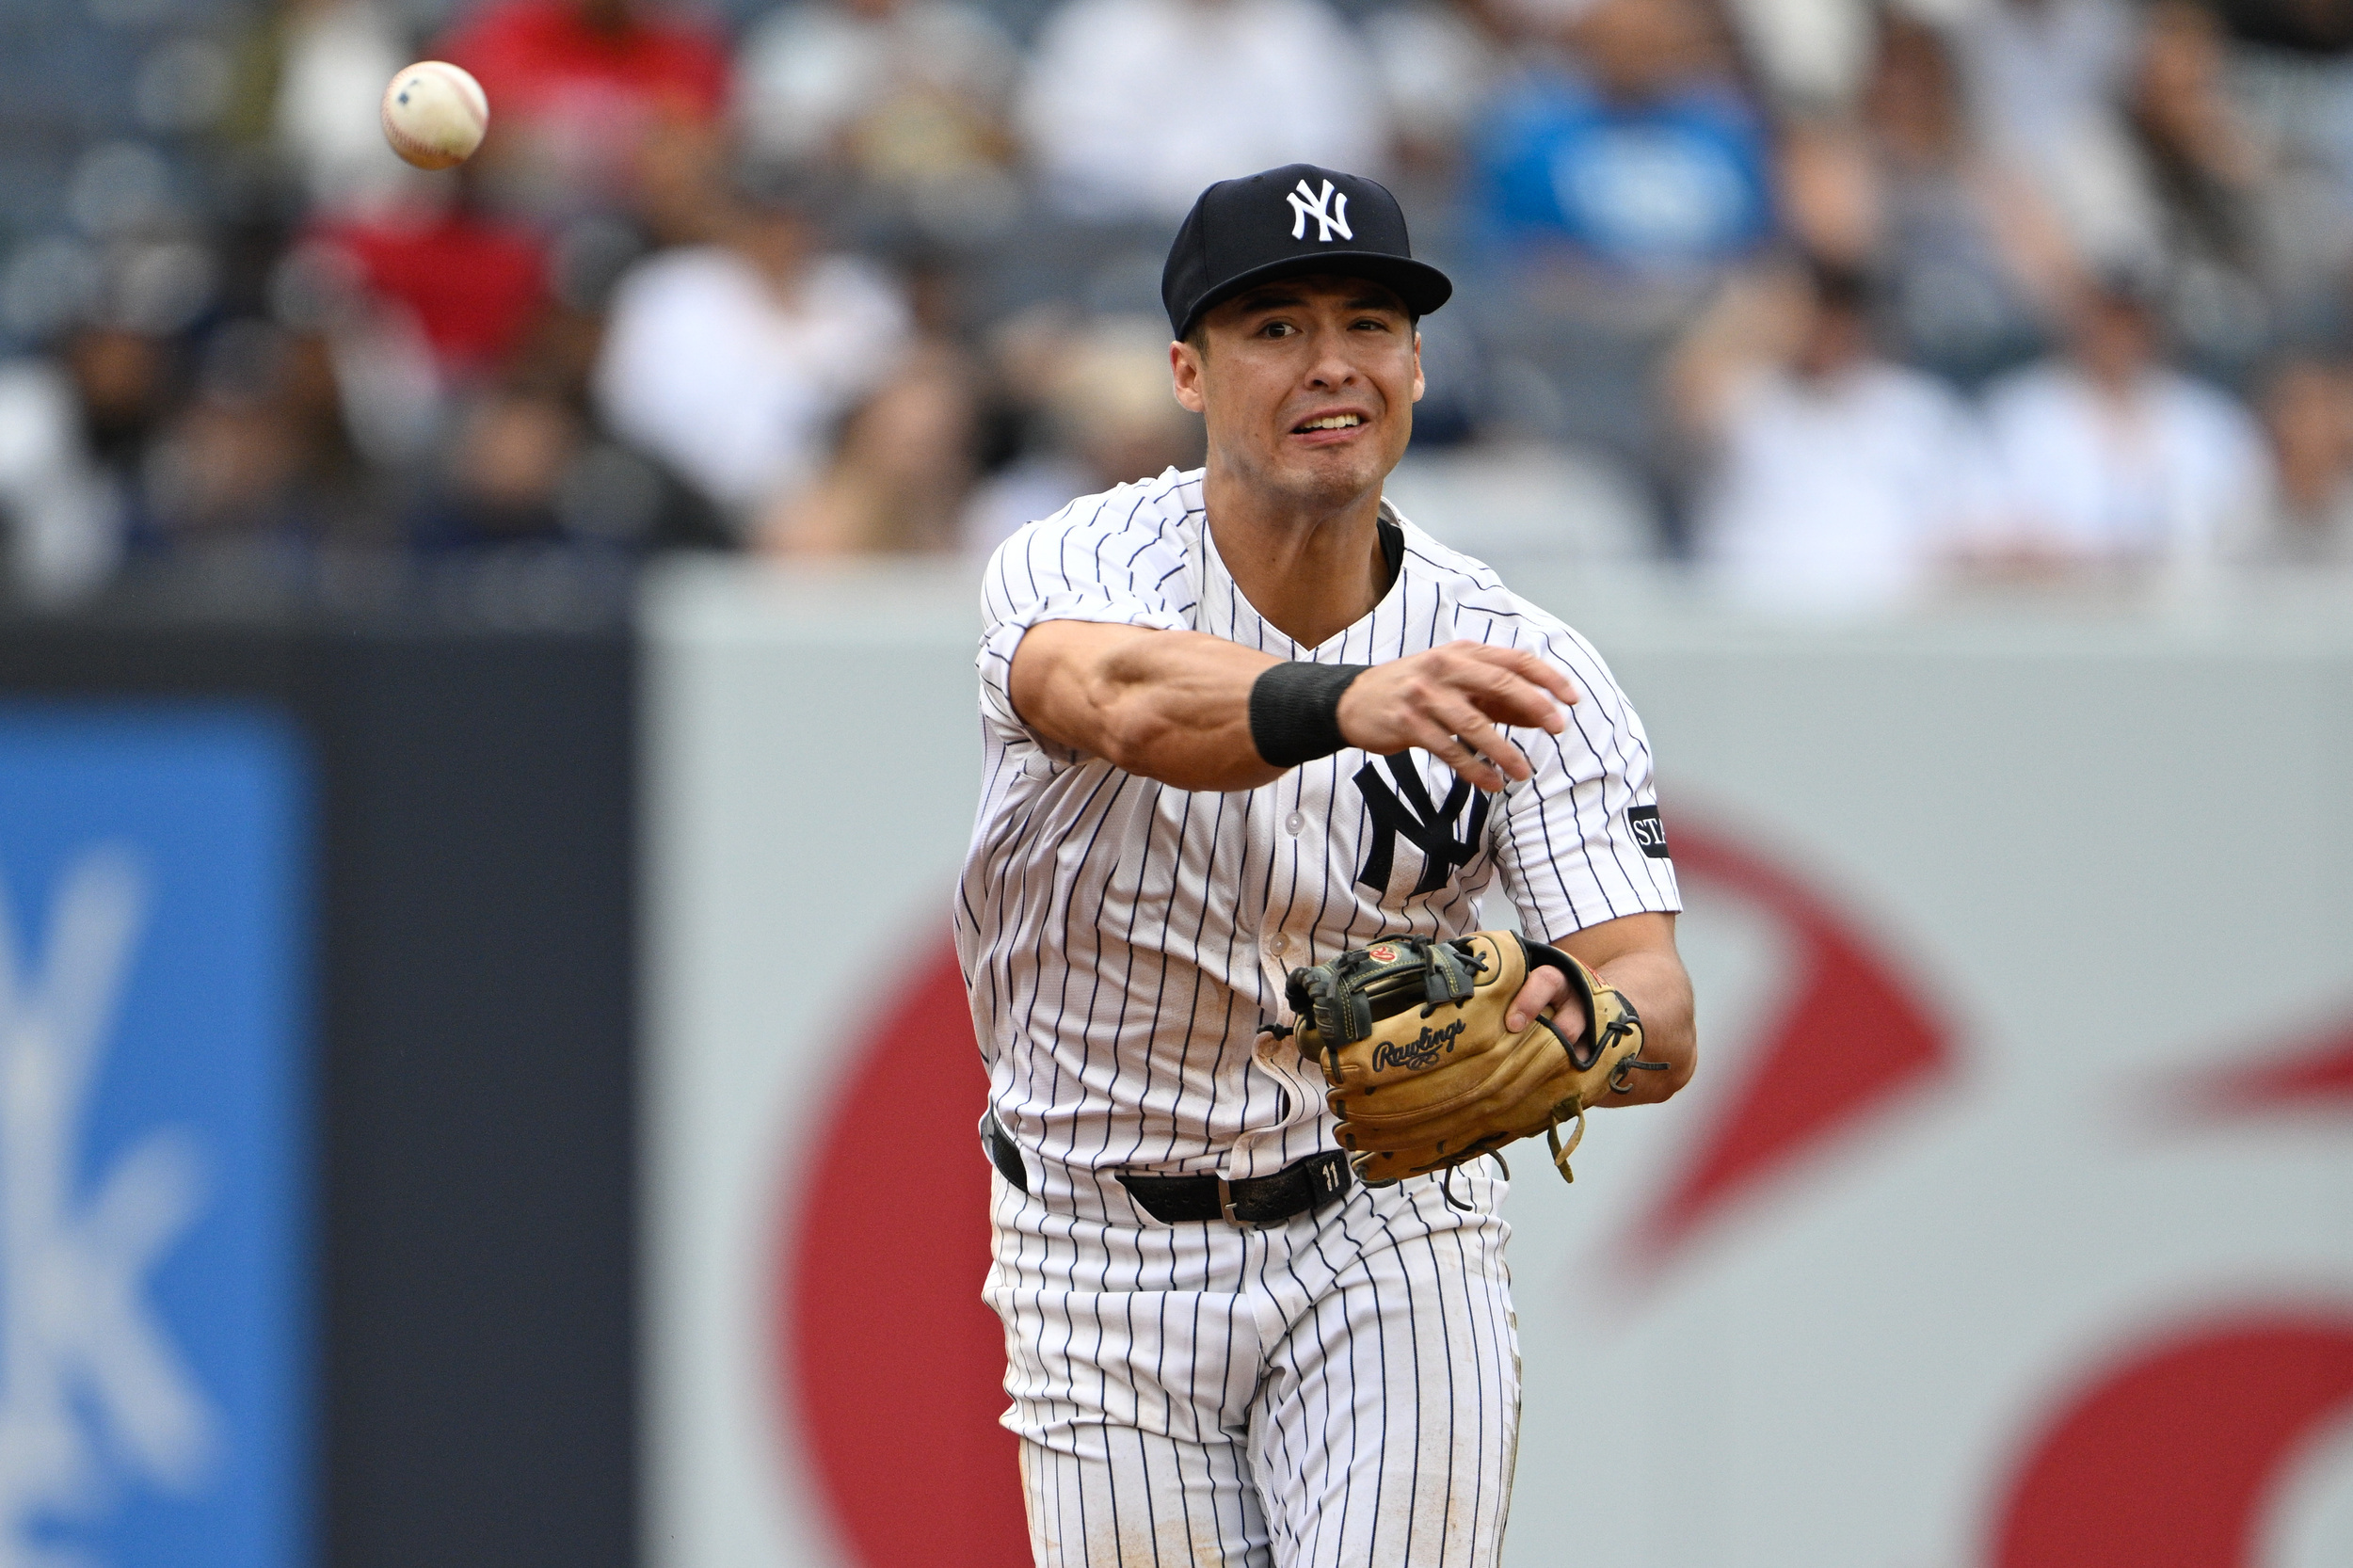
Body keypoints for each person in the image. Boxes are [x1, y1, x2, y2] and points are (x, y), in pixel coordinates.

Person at [955, 164, 1696, 1563]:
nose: (1332, 363)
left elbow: (1657, 1000)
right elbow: (1119, 698)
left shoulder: (1521, 657)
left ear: (1418, 364)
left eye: (1370, 321)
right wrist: (1339, 700)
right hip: (1097, 1235)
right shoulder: (1077, 561)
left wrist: (1571, 1013)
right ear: (1188, 368)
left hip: (1385, 1227)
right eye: (1276, 326)